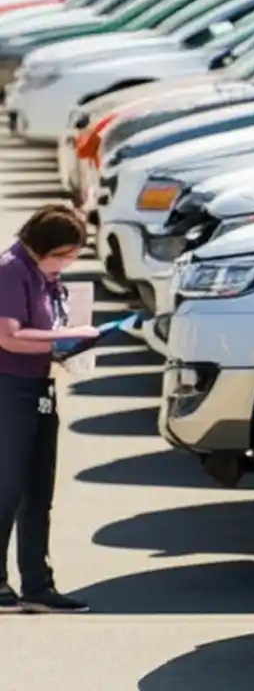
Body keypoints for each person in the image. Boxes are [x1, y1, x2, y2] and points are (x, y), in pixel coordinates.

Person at [0, 205, 98, 613]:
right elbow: (9, 337)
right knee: (8, 489)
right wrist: (66, 337)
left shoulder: (45, 276)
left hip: (39, 386)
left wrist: (70, 341)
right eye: (64, 254)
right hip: (10, 389)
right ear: (44, 245)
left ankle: (37, 584)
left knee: (39, 491)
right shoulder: (11, 271)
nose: (68, 262)